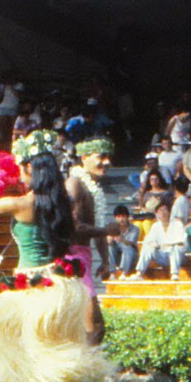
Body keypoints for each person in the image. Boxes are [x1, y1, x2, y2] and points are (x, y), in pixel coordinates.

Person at [0, 128, 110, 382]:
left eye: (23, 170)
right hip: (57, 285)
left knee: (21, 346)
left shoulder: (22, 205)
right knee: (51, 344)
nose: (20, 175)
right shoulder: (61, 202)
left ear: (30, 169)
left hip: (29, 286)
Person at [65, 138, 119, 342]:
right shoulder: (74, 183)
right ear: (84, 158)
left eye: (109, 157)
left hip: (84, 258)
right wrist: (105, 230)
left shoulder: (93, 188)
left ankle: (86, 369)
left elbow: (96, 226)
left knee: (93, 328)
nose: (107, 162)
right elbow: (75, 227)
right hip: (73, 259)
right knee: (94, 326)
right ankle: (87, 370)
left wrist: (105, 260)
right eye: (101, 157)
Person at [136, 200, 189, 280]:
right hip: (162, 255)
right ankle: (139, 273)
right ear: (157, 213)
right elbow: (150, 239)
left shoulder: (178, 224)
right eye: (160, 210)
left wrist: (167, 245)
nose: (163, 213)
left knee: (175, 247)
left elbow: (181, 242)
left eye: (165, 210)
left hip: (178, 256)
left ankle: (174, 274)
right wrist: (153, 244)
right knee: (148, 246)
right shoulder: (155, 226)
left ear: (169, 212)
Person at [109, 205, 140, 277]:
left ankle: (123, 273)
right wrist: (109, 238)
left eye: (123, 216)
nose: (121, 219)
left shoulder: (135, 229)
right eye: (119, 217)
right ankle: (112, 273)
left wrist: (121, 240)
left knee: (127, 247)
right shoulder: (111, 227)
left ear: (127, 217)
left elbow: (130, 243)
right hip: (118, 257)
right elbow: (106, 241)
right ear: (115, 218)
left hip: (131, 257)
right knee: (109, 248)